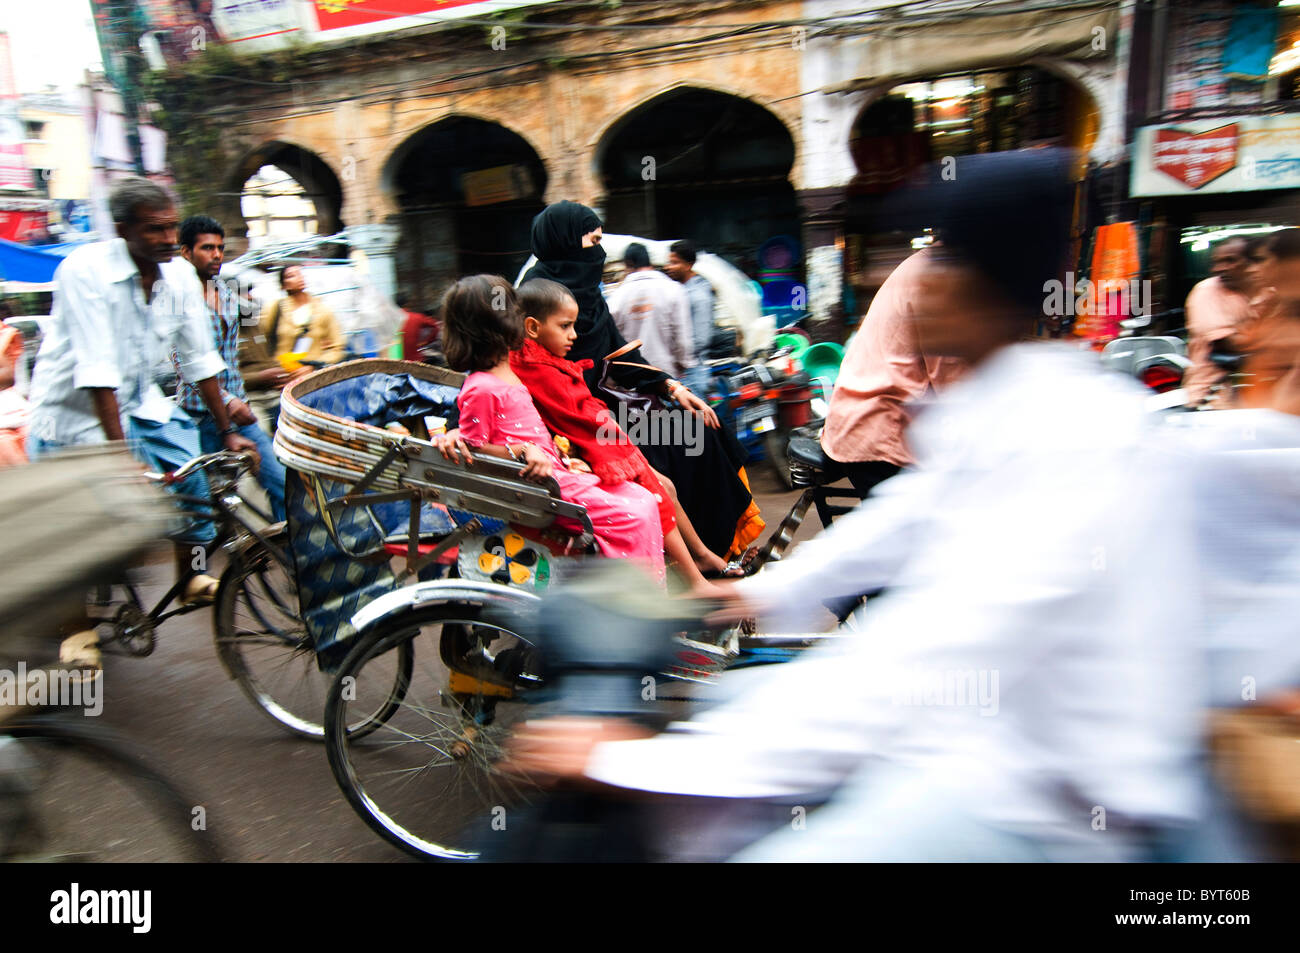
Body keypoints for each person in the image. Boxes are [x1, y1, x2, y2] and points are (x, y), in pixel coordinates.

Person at [503, 151, 1213, 862]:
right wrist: (761, 590)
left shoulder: (1065, 438)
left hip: (1042, 803)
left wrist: (646, 767)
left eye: (944, 267)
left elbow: (918, 660)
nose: (911, 289)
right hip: (973, 743)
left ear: (989, 289)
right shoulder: (1001, 403)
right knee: (736, 688)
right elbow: (908, 514)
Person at [25, 177, 259, 605]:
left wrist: (227, 431)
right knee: (84, 534)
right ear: (122, 228)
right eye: (155, 229)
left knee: (193, 476)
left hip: (138, 405)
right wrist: (119, 458)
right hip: (72, 414)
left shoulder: (180, 279)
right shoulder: (85, 270)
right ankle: (77, 633)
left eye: (172, 227)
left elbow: (200, 360)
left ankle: (191, 578)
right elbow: (98, 372)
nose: (169, 239)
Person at [521, 201, 763, 562]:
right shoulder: (535, 297)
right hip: (572, 421)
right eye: (593, 241)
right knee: (683, 442)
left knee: (704, 426)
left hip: (610, 408)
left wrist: (673, 387)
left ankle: (722, 545)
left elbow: (621, 355)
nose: (600, 252)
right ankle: (698, 555)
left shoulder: (590, 299)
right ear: (566, 240)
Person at [434, 274, 665, 581]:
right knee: (632, 516)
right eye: (509, 311)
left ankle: (648, 594)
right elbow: (474, 451)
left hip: (557, 475)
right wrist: (522, 450)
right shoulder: (481, 387)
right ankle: (631, 601)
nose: (517, 316)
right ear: (494, 326)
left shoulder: (507, 372)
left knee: (645, 500)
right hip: (540, 488)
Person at [510, 277, 738, 585]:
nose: (574, 336)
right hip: (576, 453)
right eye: (565, 327)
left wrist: (670, 386)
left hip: (605, 431)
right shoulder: (526, 365)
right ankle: (694, 572)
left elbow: (621, 363)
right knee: (658, 488)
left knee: (679, 466)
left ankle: (700, 556)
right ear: (533, 328)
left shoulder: (564, 343)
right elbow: (568, 417)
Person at [819, 247, 966, 499]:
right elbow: (955, 381)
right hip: (881, 430)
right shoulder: (943, 274)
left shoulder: (934, 264)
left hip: (869, 418)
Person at [176, 215, 287, 522]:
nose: (216, 255)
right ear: (186, 253)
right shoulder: (177, 299)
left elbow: (238, 352)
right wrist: (226, 401)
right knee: (208, 508)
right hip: (202, 418)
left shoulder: (226, 295)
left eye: (220, 248)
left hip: (242, 414)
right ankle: (214, 566)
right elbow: (183, 366)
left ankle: (291, 560)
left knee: (281, 484)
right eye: (207, 248)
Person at [239, 263, 344, 432]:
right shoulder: (274, 309)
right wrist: (270, 372)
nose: (298, 278)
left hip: (311, 379)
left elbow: (336, 348)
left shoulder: (323, 311)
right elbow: (261, 342)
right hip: (281, 382)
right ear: (283, 284)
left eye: (299, 274)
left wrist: (314, 366)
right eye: (290, 275)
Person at [1183, 236, 1256, 407]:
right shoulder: (1206, 291)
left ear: (1250, 263)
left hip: (1259, 396)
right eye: (1217, 262)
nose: (1220, 268)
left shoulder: (1263, 290)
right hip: (1212, 398)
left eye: (1230, 260)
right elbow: (1225, 344)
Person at [607, 243, 695, 380]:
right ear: (649, 262)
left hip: (631, 378)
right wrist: (683, 363)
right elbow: (683, 338)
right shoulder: (674, 290)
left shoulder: (616, 298)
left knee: (628, 403)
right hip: (666, 375)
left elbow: (610, 342)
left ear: (628, 264)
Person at [665, 239, 716, 397]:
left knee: (692, 420)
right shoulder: (682, 290)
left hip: (692, 373)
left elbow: (701, 338)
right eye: (669, 262)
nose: (668, 267)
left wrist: (680, 357)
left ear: (688, 265)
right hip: (683, 371)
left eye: (674, 262)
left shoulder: (698, 296)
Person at [398, 294, 441, 364]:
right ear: (408, 304)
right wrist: (427, 341)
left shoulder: (388, 320)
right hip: (415, 361)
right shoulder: (416, 317)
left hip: (394, 363)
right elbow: (435, 326)